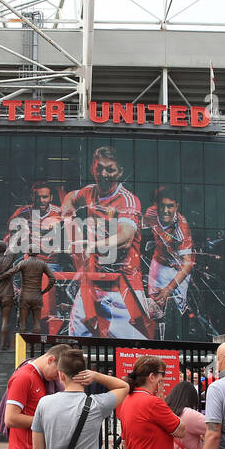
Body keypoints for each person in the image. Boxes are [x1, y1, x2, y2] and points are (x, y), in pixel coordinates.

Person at [60, 145, 151, 338]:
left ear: (120, 172)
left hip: (123, 288)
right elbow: (69, 198)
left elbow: (126, 238)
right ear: (93, 168)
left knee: (133, 355)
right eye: (99, 168)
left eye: (110, 169)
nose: (103, 174)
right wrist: (69, 223)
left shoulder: (128, 200)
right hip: (92, 284)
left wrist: (90, 246)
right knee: (77, 345)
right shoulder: (88, 192)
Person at [141, 187, 195, 336]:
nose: (166, 210)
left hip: (179, 268)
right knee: (154, 305)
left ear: (176, 206)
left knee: (175, 307)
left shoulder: (181, 229)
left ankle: (175, 338)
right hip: (159, 262)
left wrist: (169, 288)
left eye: (170, 206)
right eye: (162, 206)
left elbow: (187, 264)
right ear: (156, 205)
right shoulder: (151, 213)